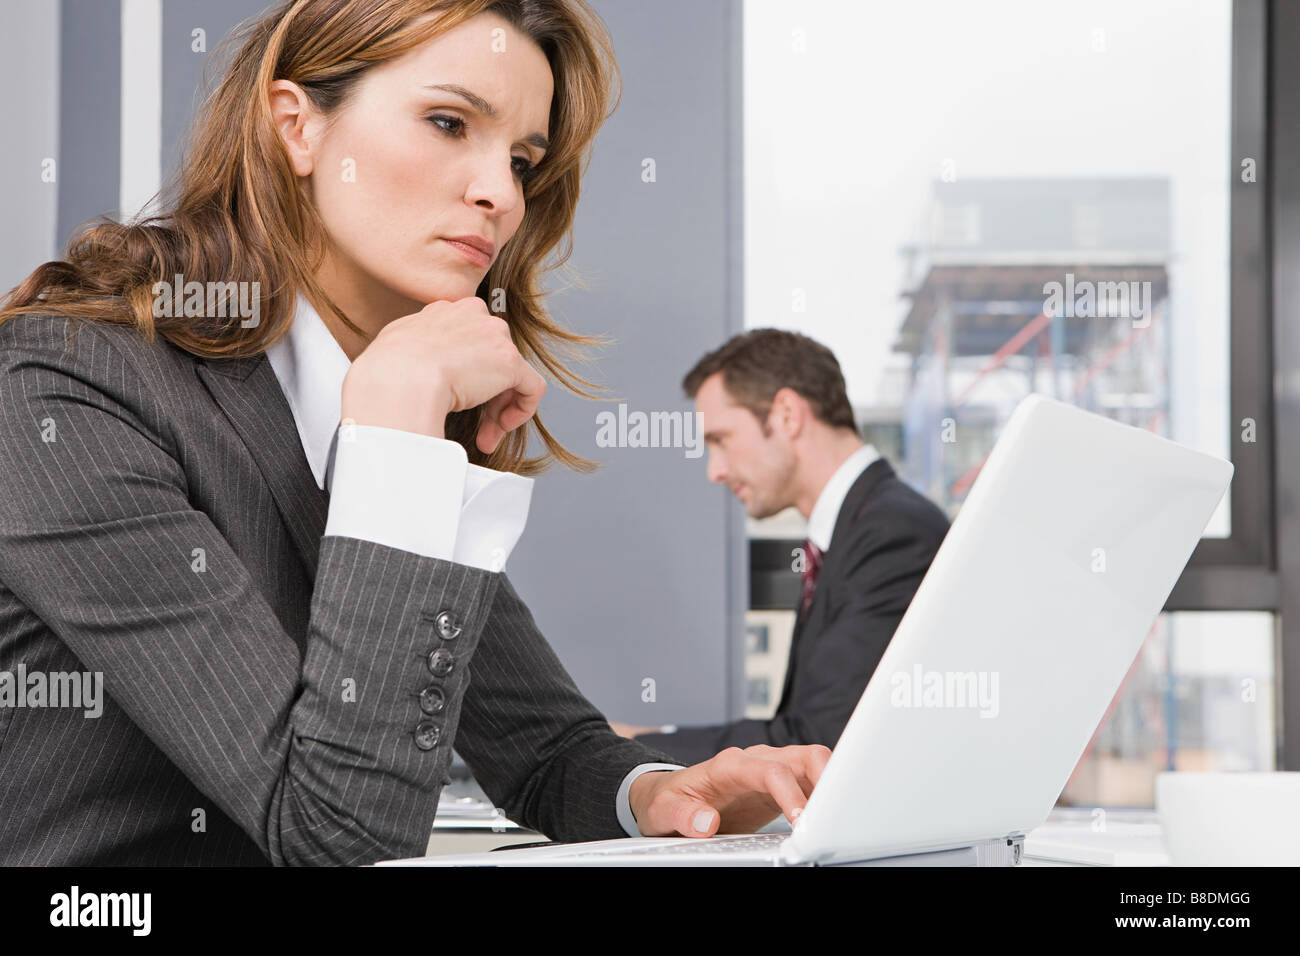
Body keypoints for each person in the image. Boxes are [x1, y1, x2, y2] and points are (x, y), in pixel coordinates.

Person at [0, 0, 827, 866]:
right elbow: (332, 836)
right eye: (447, 121)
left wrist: (654, 792)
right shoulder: (67, 385)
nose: (500, 195)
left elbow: (544, 747)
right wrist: (396, 444)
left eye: (519, 160)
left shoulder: (367, 399)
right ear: (298, 128)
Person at [612, 329, 950, 764]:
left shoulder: (893, 532)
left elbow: (821, 740)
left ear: (787, 415)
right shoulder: (856, 530)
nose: (715, 470)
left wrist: (636, 745)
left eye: (720, 440)